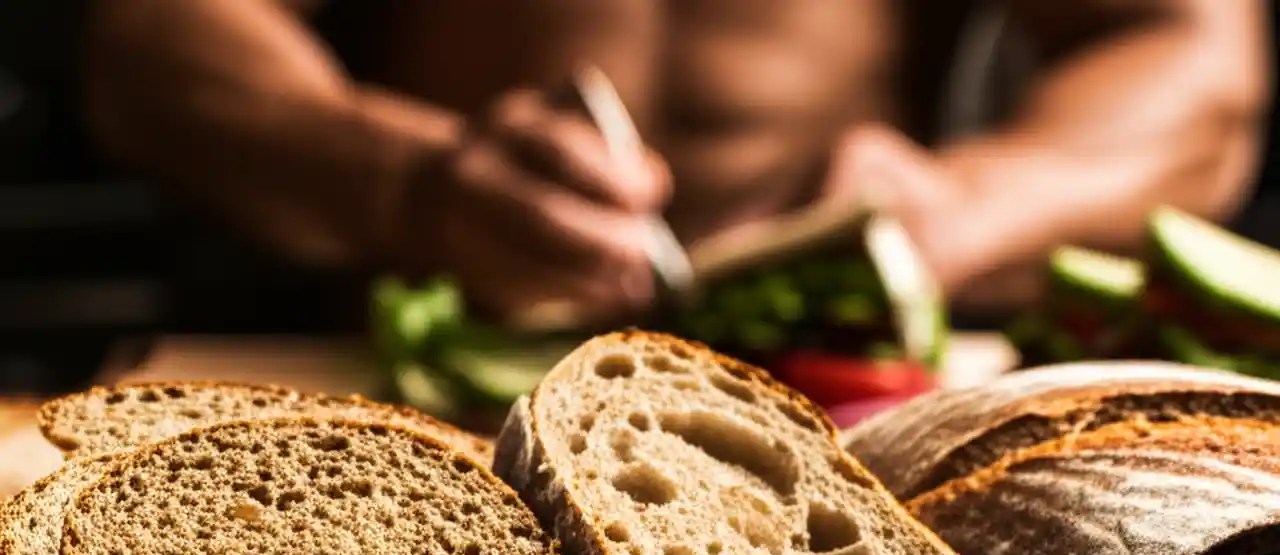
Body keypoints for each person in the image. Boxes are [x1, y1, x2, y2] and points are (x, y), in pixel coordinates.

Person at [83, 0, 1269, 323]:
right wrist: (410, 180)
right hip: (418, 371)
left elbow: (1192, 51)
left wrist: (961, 203)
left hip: (843, 385)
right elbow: (145, 36)